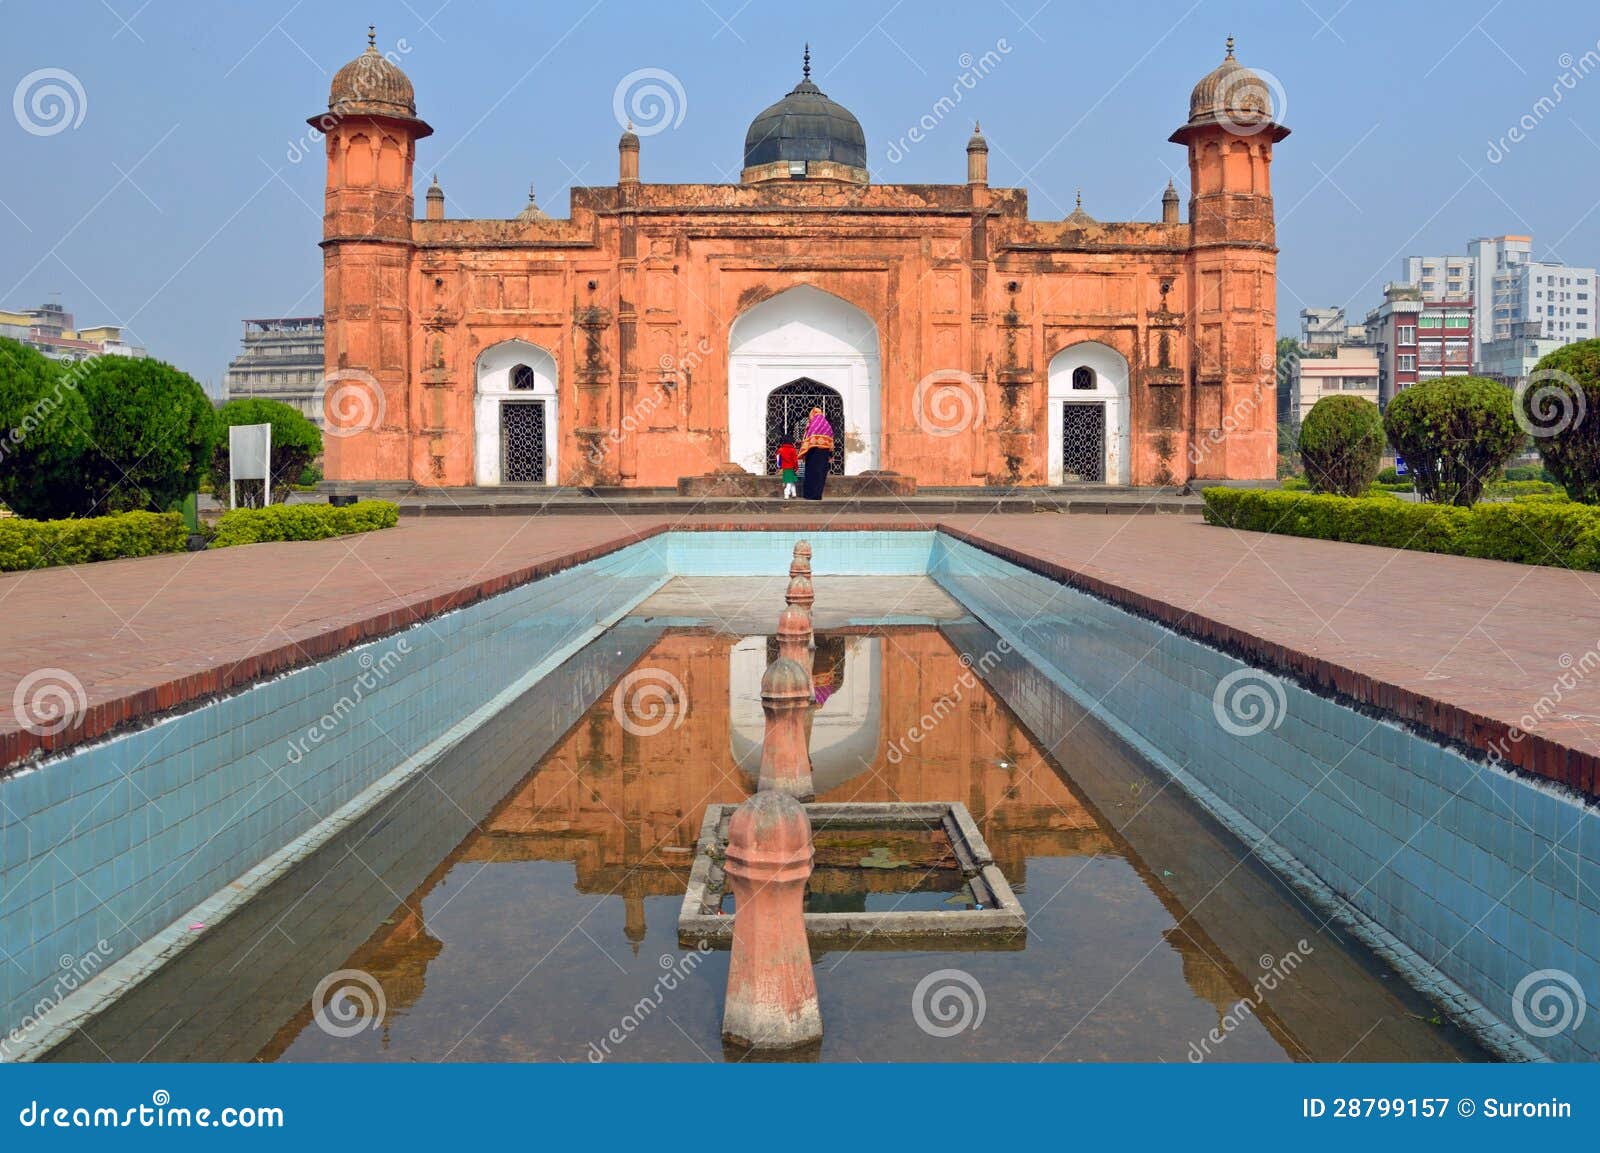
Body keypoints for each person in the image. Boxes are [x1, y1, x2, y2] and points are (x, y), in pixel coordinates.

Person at [798, 407, 833, 500]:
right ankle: (817, 495)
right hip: (824, 455)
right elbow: (831, 444)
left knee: (811, 473)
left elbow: (807, 441)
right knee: (821, 474)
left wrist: (802, 453)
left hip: (813, 454)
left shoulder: (813, 425)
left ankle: (810, 495)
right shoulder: (827, 426)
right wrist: (830, 455)